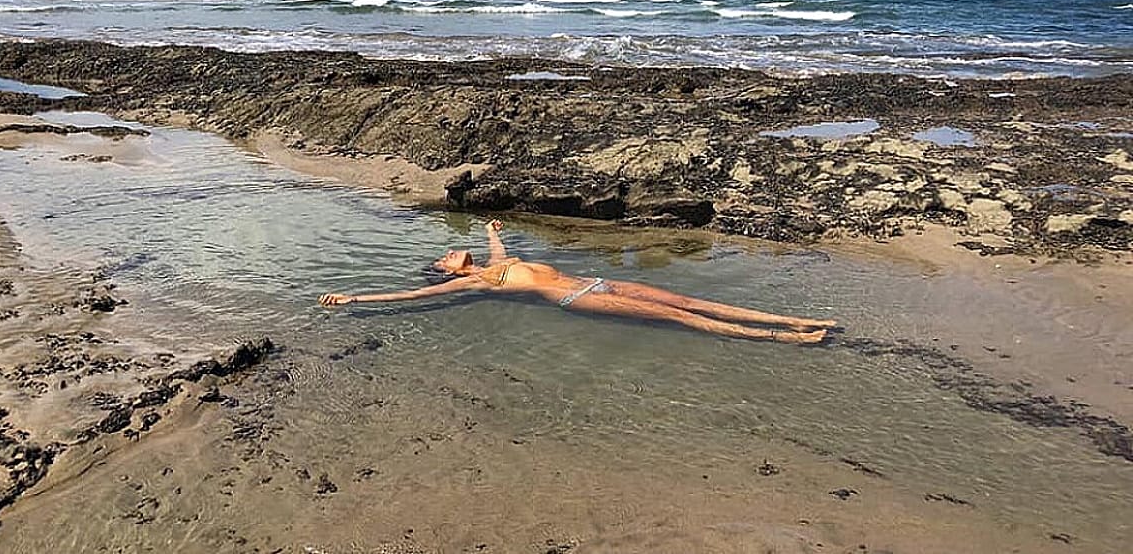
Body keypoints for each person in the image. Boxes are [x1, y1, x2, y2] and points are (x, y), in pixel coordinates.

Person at [319, 220, 835, 344]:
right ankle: (785, 338)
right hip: (578, 298)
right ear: (448, 272)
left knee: (690, 297)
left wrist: (489, 230)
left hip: (598, 279)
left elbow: (499, 251)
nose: (452, 252)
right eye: (446, 256)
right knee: (680, 318)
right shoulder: (470, 284)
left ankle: (794, 317)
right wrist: (355, 296)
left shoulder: (495, 261)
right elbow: (412, 294)